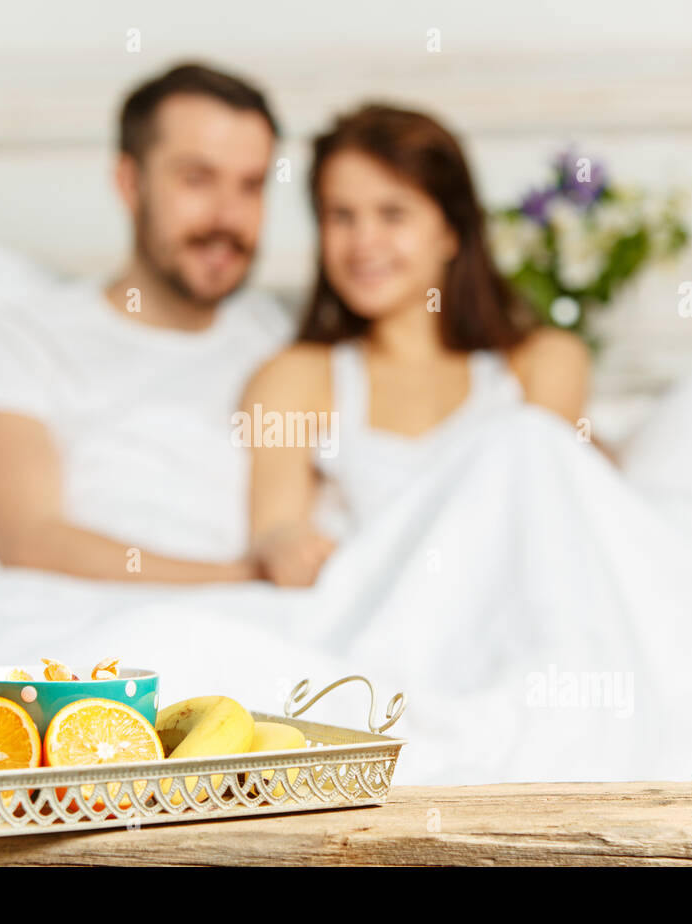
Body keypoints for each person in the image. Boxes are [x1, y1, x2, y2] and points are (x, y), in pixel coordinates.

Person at [0, 63, 291, 583]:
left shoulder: (280, 342)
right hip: (76, 630)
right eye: (197, 180)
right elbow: (27, 538)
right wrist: (243, 582)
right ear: (130, 183)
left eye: (251, 186)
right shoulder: (21, 341)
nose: (228, 217)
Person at [242, 104, 594, 587]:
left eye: (393, 214)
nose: (364, 242)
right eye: (340, 216)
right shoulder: (295, 377)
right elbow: (274, 527)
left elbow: (545, 521)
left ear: (451, 230)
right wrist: (285, 546)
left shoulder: (544, 362)